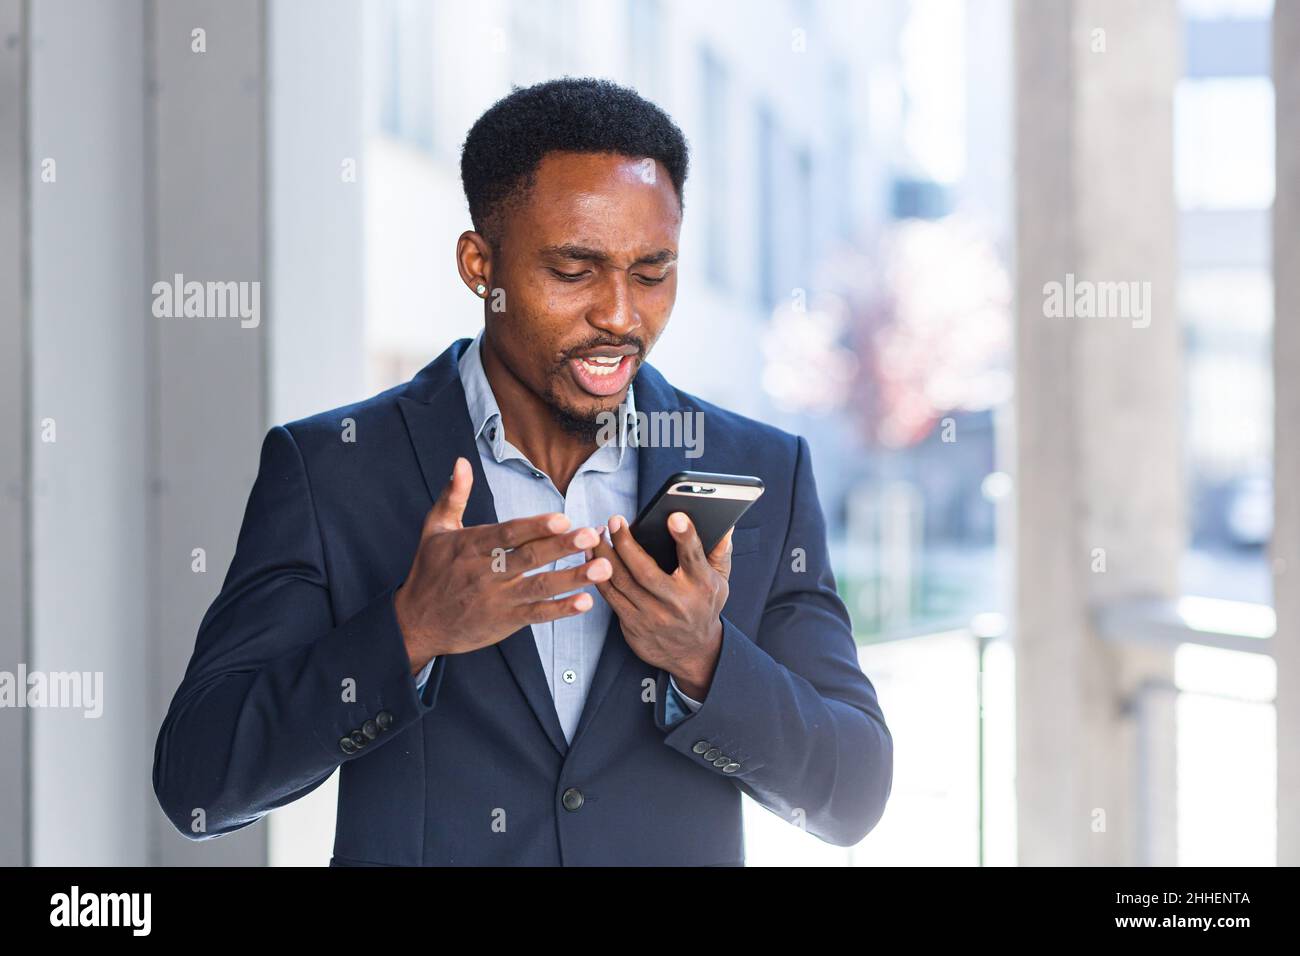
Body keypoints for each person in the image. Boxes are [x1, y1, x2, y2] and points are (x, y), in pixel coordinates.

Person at [153, 77, 892, 866]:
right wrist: (410, 631)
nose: (620, 314)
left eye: (651, 272)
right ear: (480, 265)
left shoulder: (759, 472)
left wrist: (704, 659)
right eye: (575, 270)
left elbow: (851, 794)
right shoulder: (333, 470)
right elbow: (200, 783)